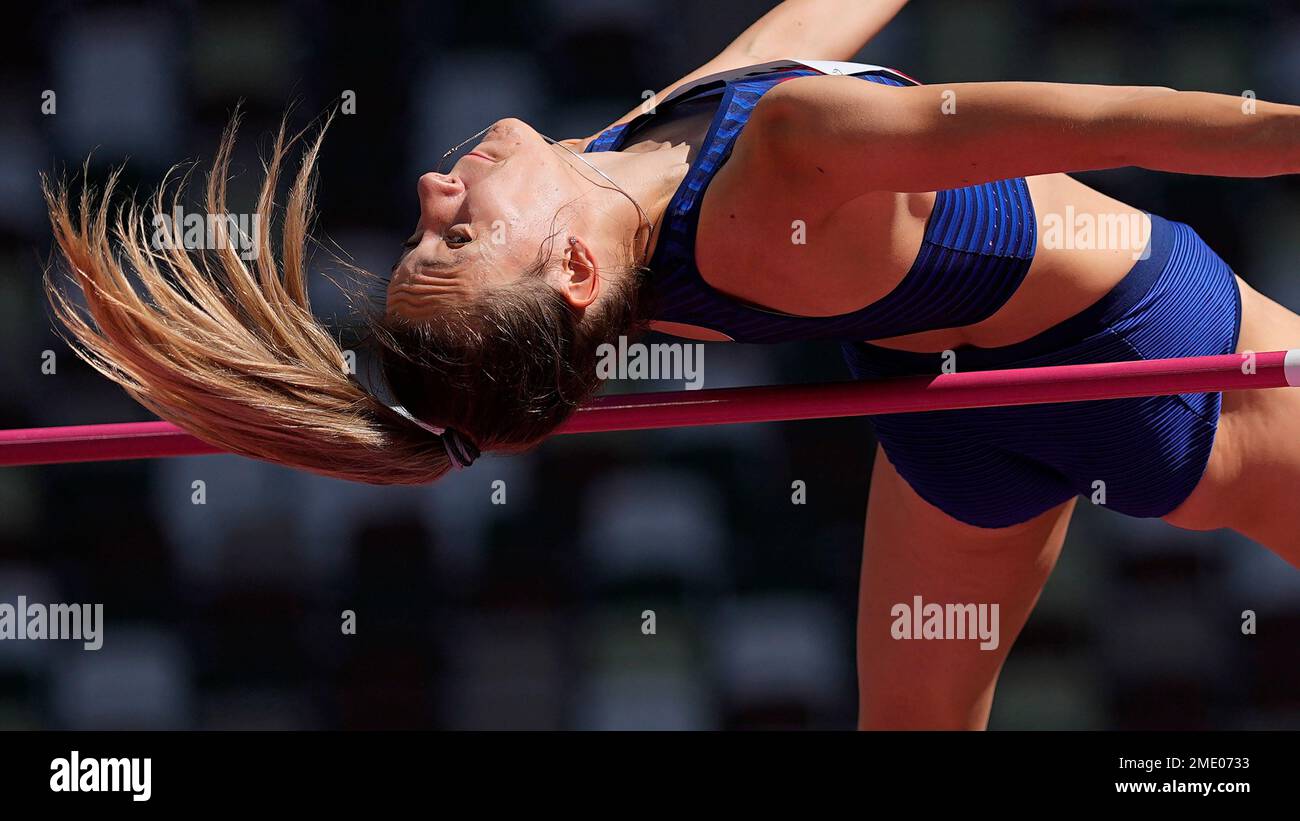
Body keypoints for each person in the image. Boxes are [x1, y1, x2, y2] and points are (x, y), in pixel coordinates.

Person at [44, 0, 1300, 728]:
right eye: (460, 231)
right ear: (572, 274)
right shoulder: (792, 153)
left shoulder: (624, 186)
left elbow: (810, 18)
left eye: (433, 225)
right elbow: (1121, 119)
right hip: (1152, 351)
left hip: (947, 421)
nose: (433, 187)